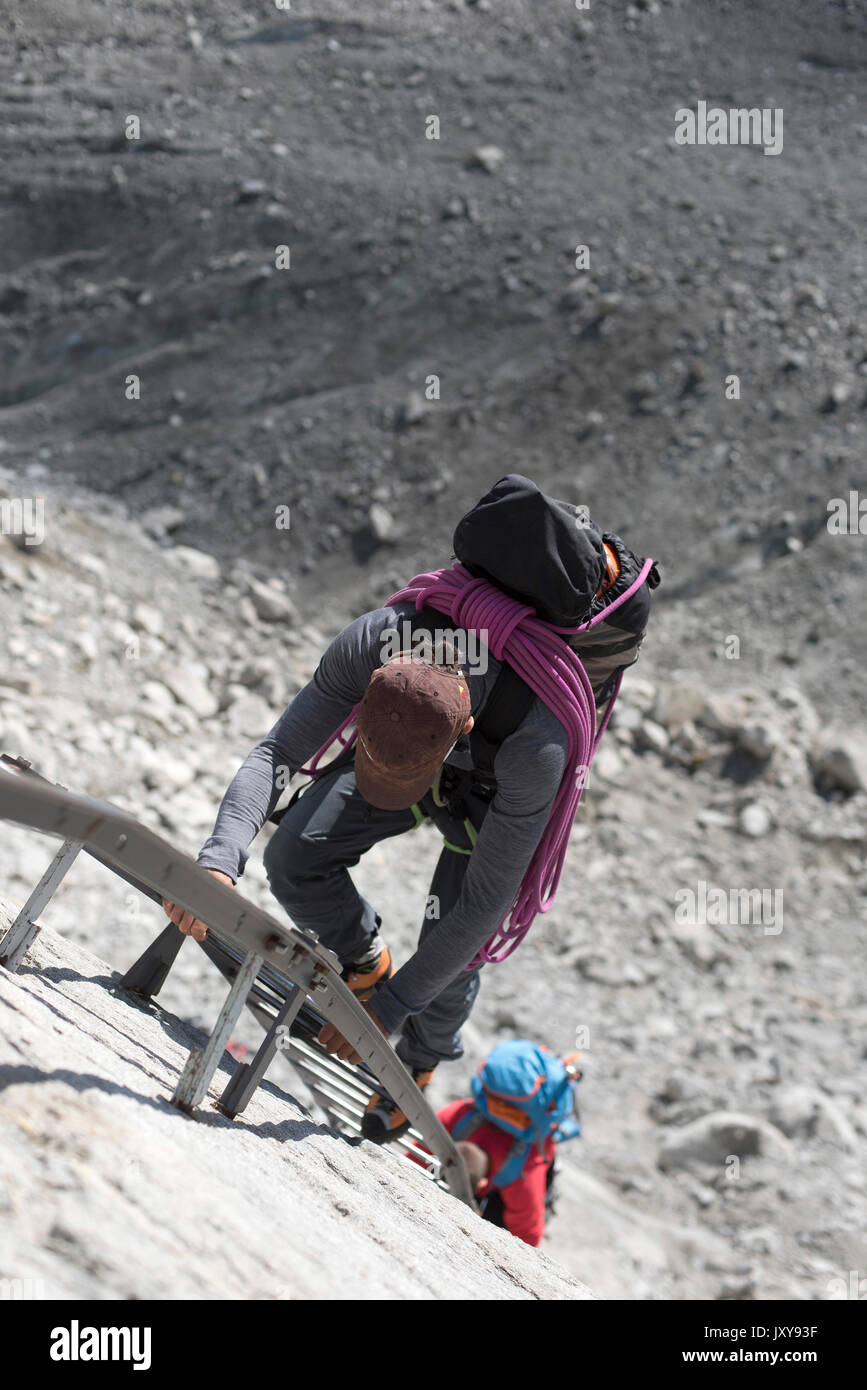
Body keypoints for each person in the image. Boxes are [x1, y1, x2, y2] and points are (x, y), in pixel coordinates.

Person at [161, 475, 656, 1142]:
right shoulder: (378, 637)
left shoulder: (538, 739)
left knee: (455, 946)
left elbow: (486, 907)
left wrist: (389, 1015)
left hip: (489, 790)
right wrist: (216, 865)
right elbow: (278, 752)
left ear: (465, 728)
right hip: (435, 755)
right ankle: (364, 958)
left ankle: (418, 1066)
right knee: (295, 854)